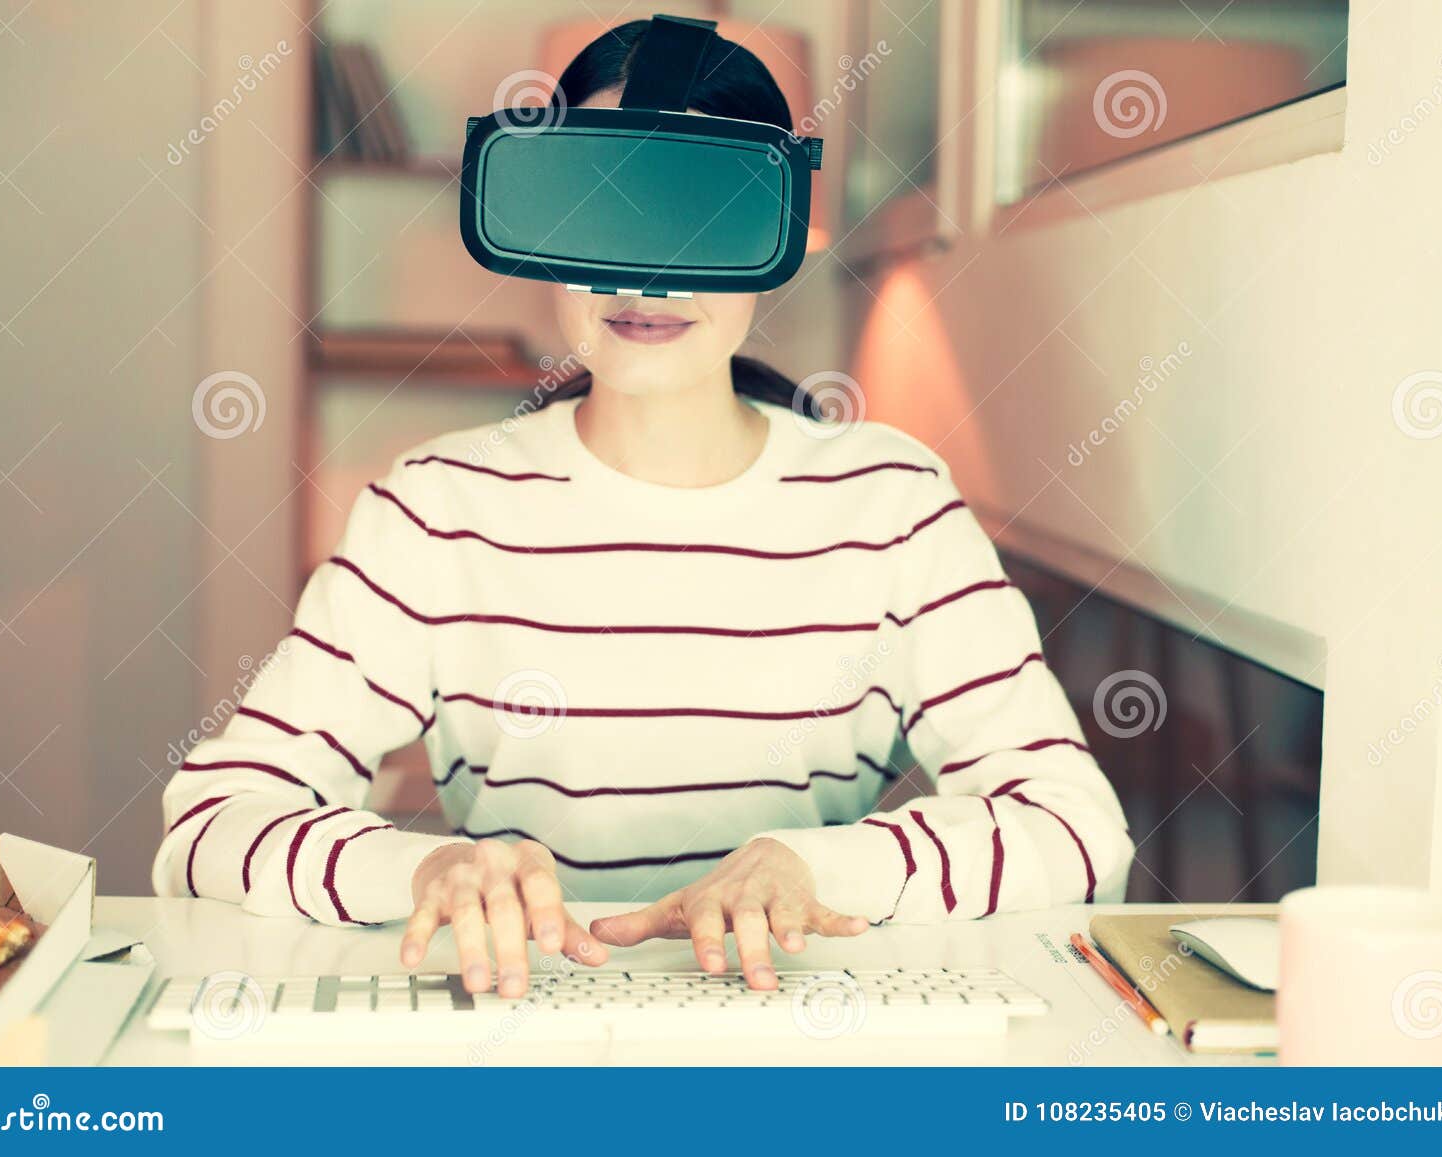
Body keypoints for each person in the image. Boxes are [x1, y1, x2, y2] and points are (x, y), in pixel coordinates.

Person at [152, 20, 1132, 999]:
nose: (643, 274)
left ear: (773, 229)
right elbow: (211, 819)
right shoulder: (432, 512)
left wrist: (819, 866)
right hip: (518, 1029)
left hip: (799, 1031)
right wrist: (421, 868)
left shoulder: (893, 506)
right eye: (603, 203)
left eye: (698, 211)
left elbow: (1077, 827)